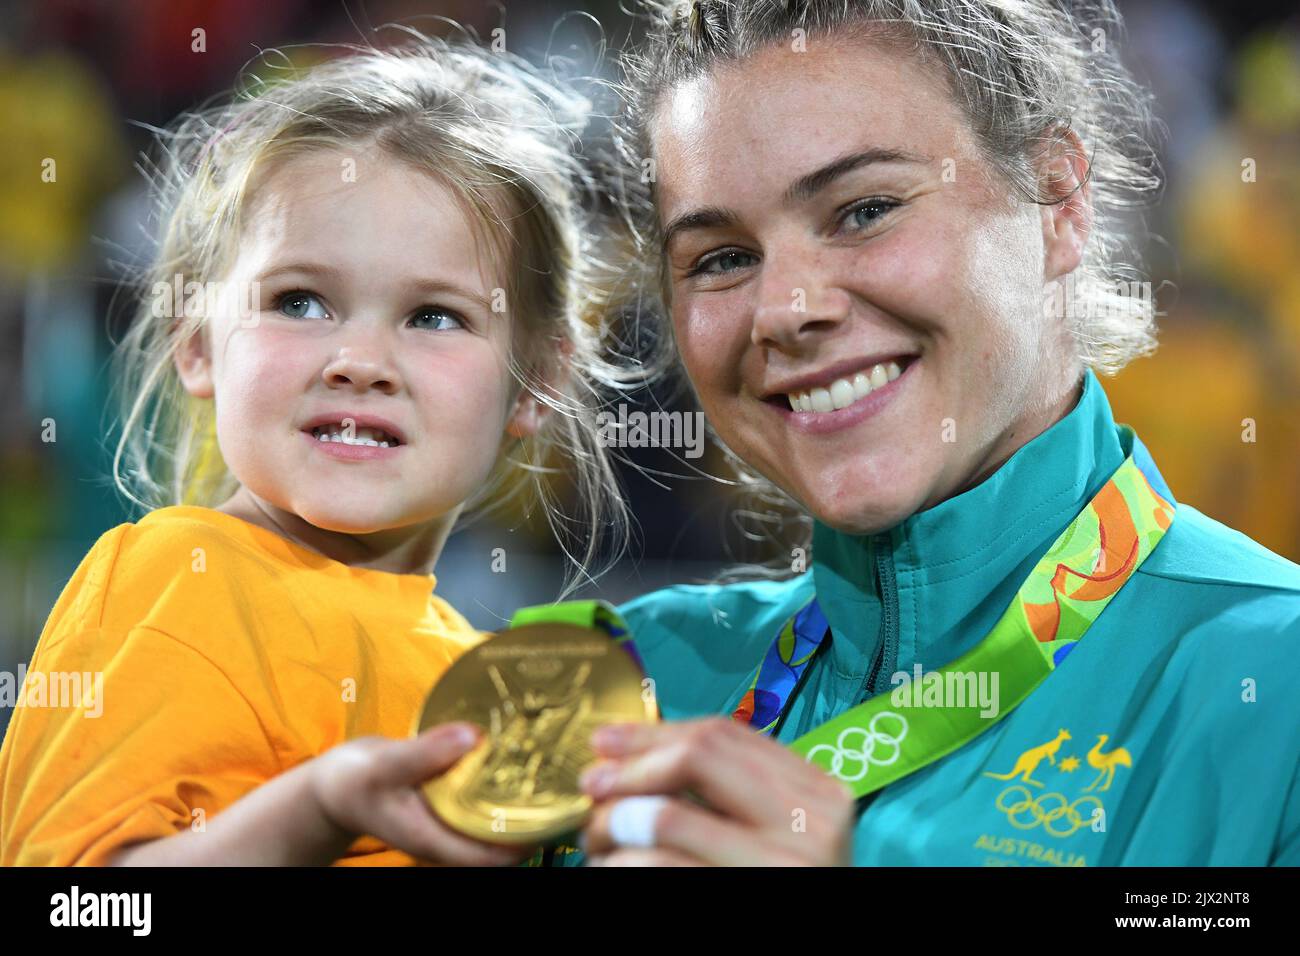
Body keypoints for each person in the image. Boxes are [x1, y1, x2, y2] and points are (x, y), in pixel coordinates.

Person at [570, 0, 1300, 866]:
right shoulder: (623, 690)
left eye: (864, 210)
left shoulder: (1273, 690)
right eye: (722, 259)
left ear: (1060, 201)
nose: (785, 312)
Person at [0, 35, 628, 866]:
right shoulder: (180, 577)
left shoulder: (484, 674)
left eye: (434, 316)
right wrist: (319, 807)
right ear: (197, 343)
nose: (360, 362)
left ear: (538, 380)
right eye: (299, 301)